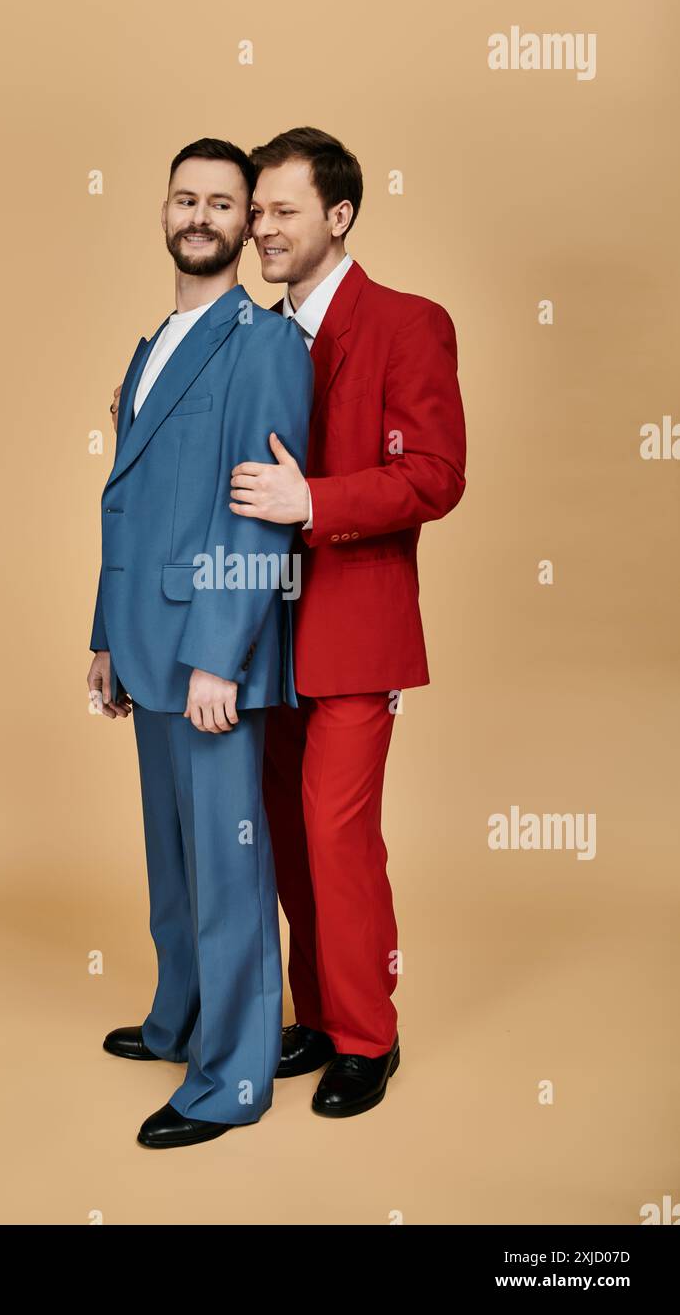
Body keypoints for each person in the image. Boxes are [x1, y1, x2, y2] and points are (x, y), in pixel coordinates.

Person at [229, 127, 467, 1118]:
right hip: (261, 630)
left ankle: (369, 1037)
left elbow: (433, 475)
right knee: (286, 834)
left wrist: (314, 503)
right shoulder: (252, 337)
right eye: (256, 211)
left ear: (338, 216)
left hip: (353, 629)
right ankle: (319, 1016)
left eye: (281, 210)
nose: (260, 229)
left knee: (336, 833)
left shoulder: (409, 322)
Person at [87, 137, 312, 1148]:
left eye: (224, 202)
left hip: (210, 651)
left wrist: (222, 652)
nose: (203, 214)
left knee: (226, 871)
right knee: (173, 861)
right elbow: (124, 504)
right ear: (165, 210)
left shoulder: (263, 345)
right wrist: (101, 634)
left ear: (244, 223)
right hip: (143, 641)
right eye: (186, 197)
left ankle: (231, 1080)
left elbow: (261, 512)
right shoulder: (150, 347)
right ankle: (178, 1017)